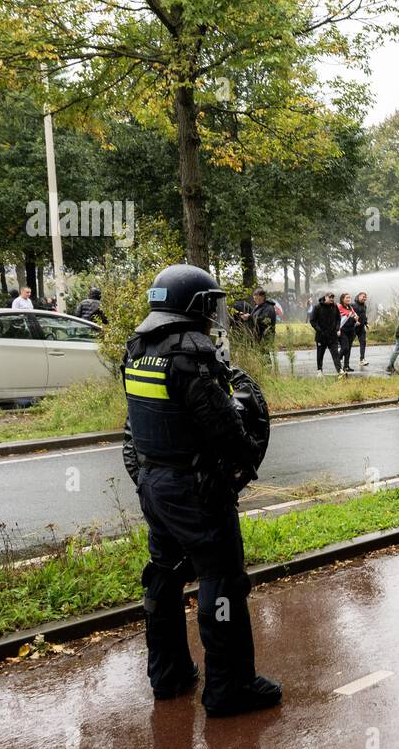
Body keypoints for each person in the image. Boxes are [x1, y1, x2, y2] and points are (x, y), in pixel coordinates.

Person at [120, 263, 280, 717]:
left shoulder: (138, 347)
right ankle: (229, 688)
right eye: (209, 303)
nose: (213, 311)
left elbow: (137, 422)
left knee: (164, 574)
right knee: (222, 581)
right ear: (192, 305)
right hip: (196, 487)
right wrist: (248, 455)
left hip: (154, 483)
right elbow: (221, 425)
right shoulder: (190, 352)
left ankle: (168, 676)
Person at [310, 291, 342, 375]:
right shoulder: (317, 307)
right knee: (320, 354)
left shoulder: (335, 306)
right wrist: (319, 330)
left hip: (332, 336)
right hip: (321, 336)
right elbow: (312, 320)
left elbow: (339, 318)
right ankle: (319, 370)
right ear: (325, 297)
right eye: (330, 297)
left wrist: (337, 328)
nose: (332, 299)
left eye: (333, 297)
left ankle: (339, 370)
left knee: (335, 353)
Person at [337, 292, 358, 371]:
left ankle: (346, 366)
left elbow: (354, 316)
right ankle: (337, 359)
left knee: (348, 349)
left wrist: (356, 318)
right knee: (345, 348)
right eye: (347, 298)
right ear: (342, 299)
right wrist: (337, 329)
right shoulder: (339, 307)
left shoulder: (350, 307)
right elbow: (337, 319)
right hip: (343, 330)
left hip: (351, 330)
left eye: (349, 297)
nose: (349, 299)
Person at [353, 292, 370, 366]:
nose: (364, 298)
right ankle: (340, 357)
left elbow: (364, 316)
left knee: (363, 342)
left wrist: (366, 323)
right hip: (353, 327)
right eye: (363, 296)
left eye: (365, 297)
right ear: (358, 296)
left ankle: (362, 360)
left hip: (361, 328)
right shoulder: (353, 305)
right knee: (347, 345)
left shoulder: (364, 306)